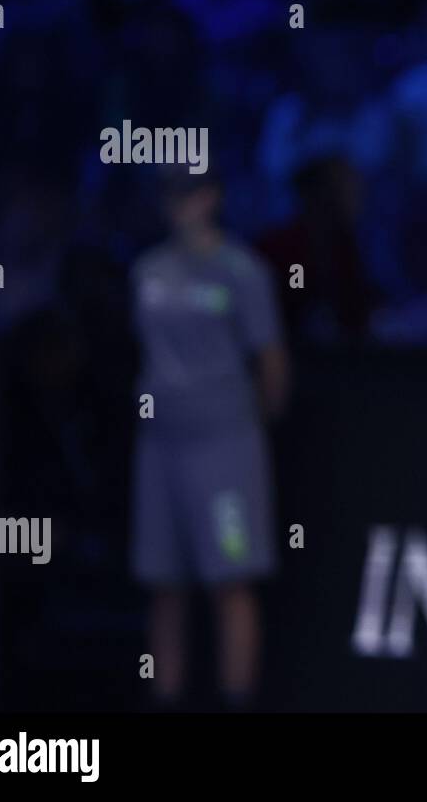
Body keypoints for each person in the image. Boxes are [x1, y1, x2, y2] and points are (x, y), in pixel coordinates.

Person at [129, 166, 289, 710]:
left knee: (231, 579)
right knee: (164, 582)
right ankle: (164, 698)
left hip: (225, 446)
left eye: (191, 192)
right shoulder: (146, 270)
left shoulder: (241, 271)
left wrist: (246, 431)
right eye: (172, 193)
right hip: (160, 445)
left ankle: (236, 699)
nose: (182, 205)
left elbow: (271, 366)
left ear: (212, 197)